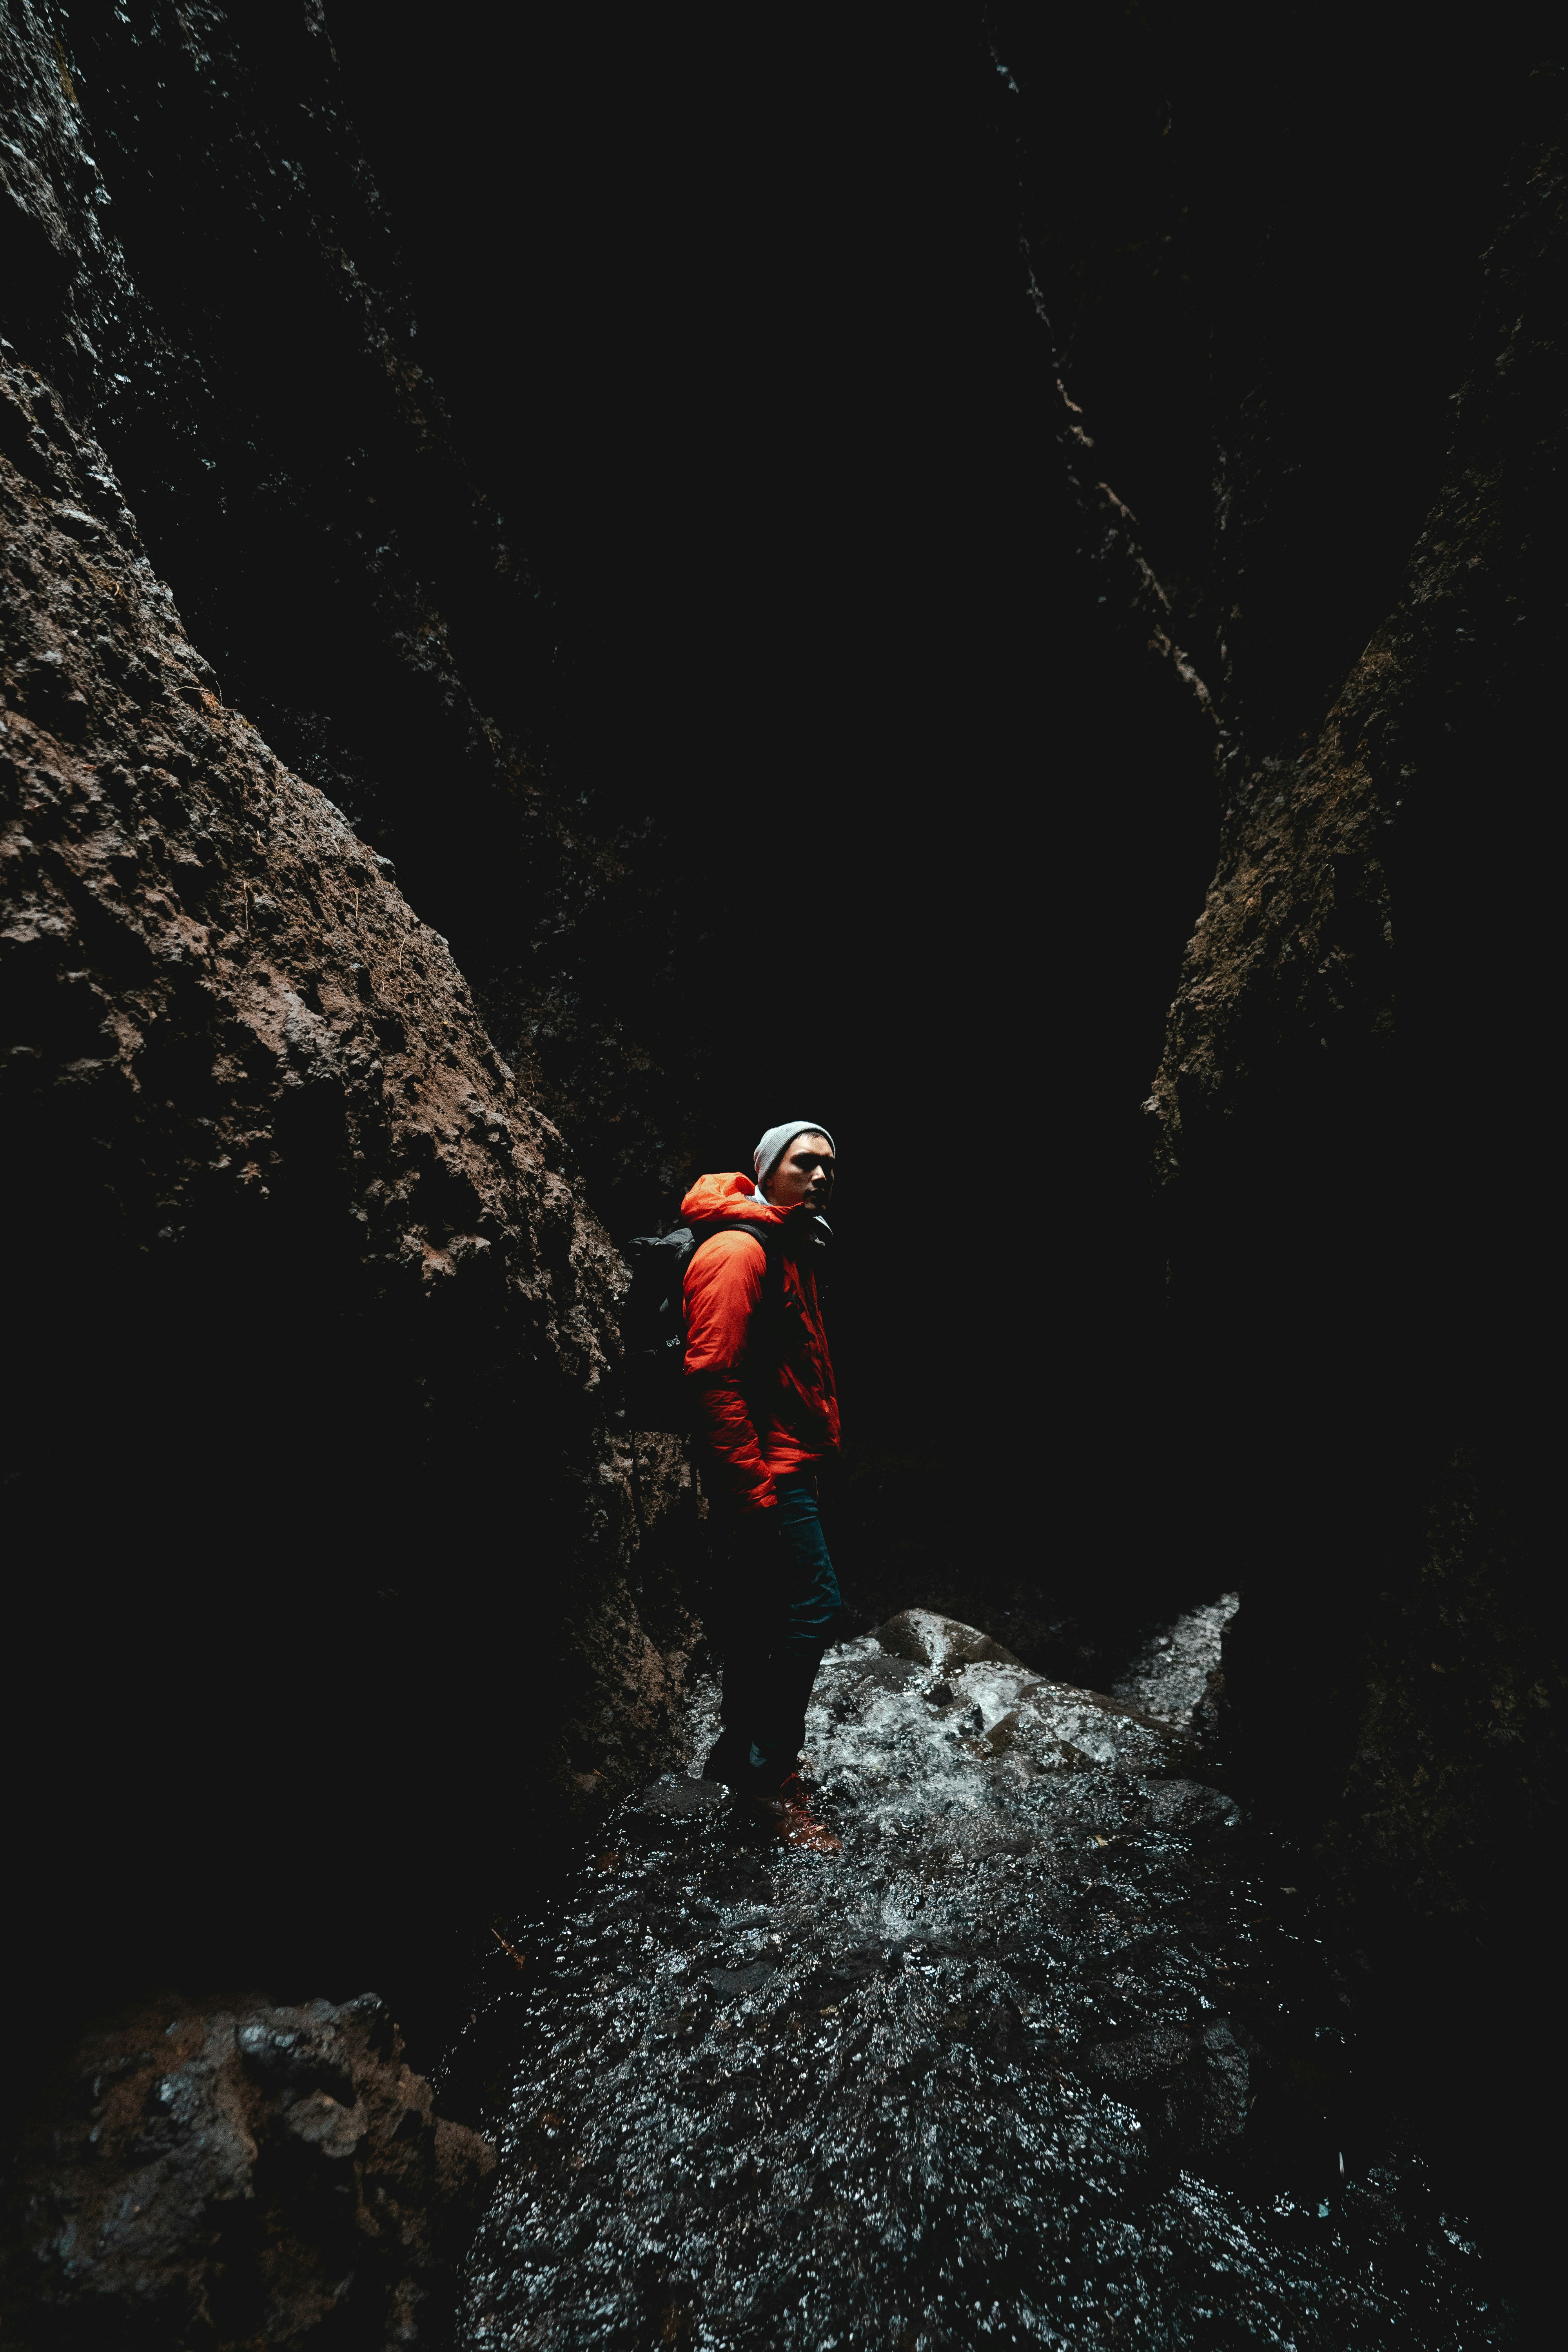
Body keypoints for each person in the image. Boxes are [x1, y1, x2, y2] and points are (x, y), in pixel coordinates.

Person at [681, 1122, 844, 1852]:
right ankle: (769, 1783)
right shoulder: (740, 1249)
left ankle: (736, 1759)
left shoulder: (789, 1244)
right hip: (767, 1475)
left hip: (787, 1463)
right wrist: (754, 1493)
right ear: (765, 1170)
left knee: (762, 1617)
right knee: (814, 1608)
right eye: (803, 1163)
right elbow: (712, 1377)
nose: (819, 1177)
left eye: (828, 1167)